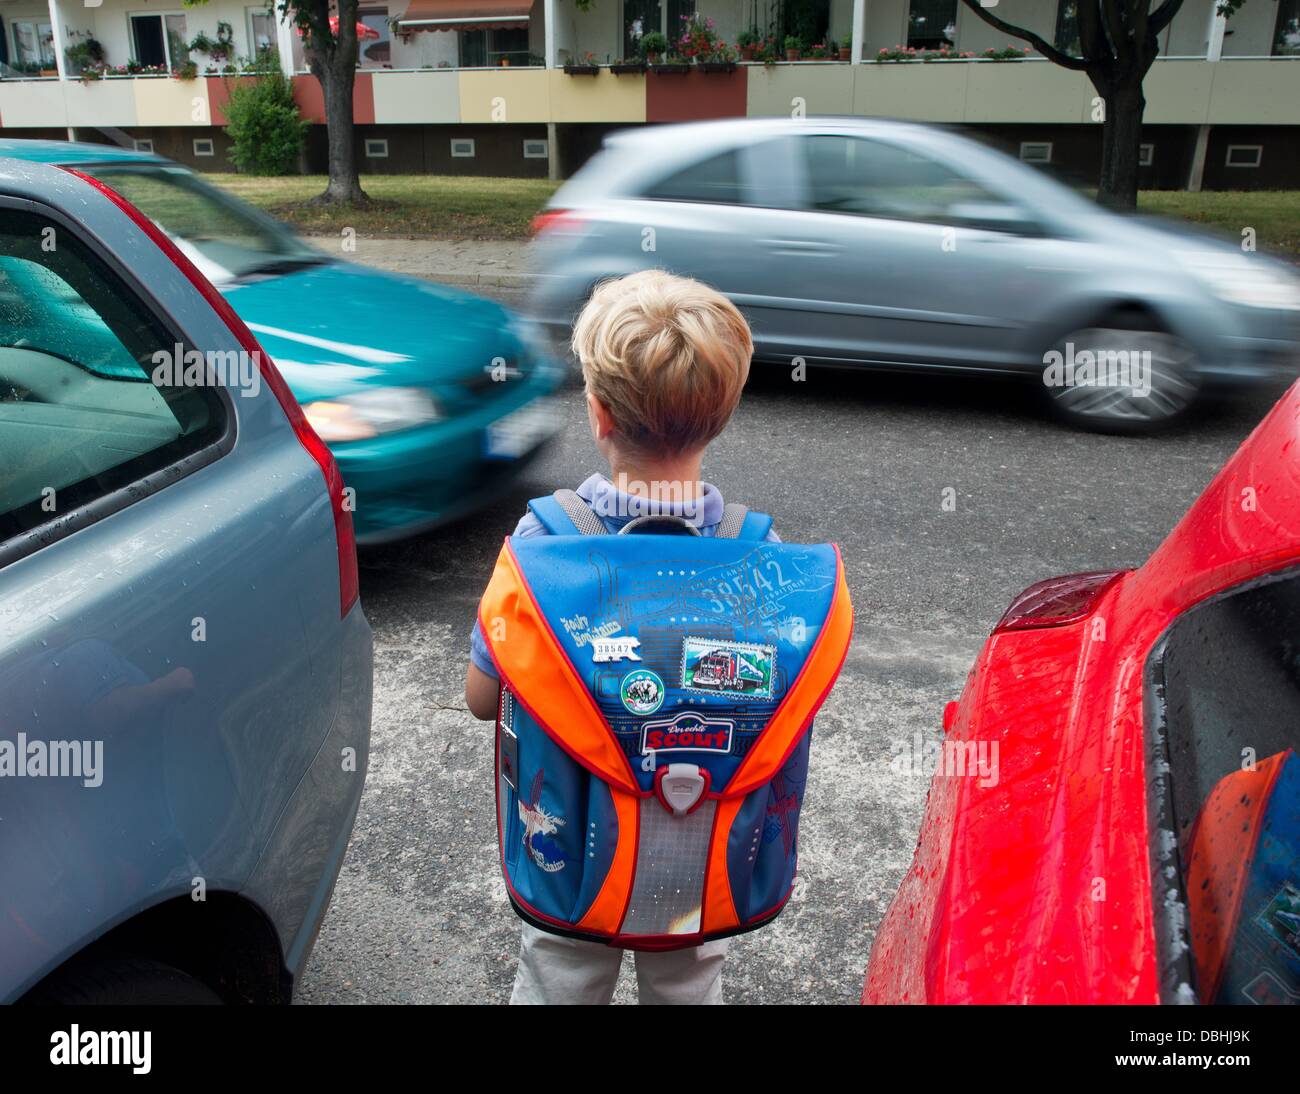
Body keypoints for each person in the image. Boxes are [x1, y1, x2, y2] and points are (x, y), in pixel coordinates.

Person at [465, 269, 776, 1004]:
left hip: (568, 841)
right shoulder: (757, 555)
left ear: (599, 413)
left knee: (559, 975)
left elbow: (483, 699)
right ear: (724, 411)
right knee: (689, 979)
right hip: (698, 840)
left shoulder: (540, 543)